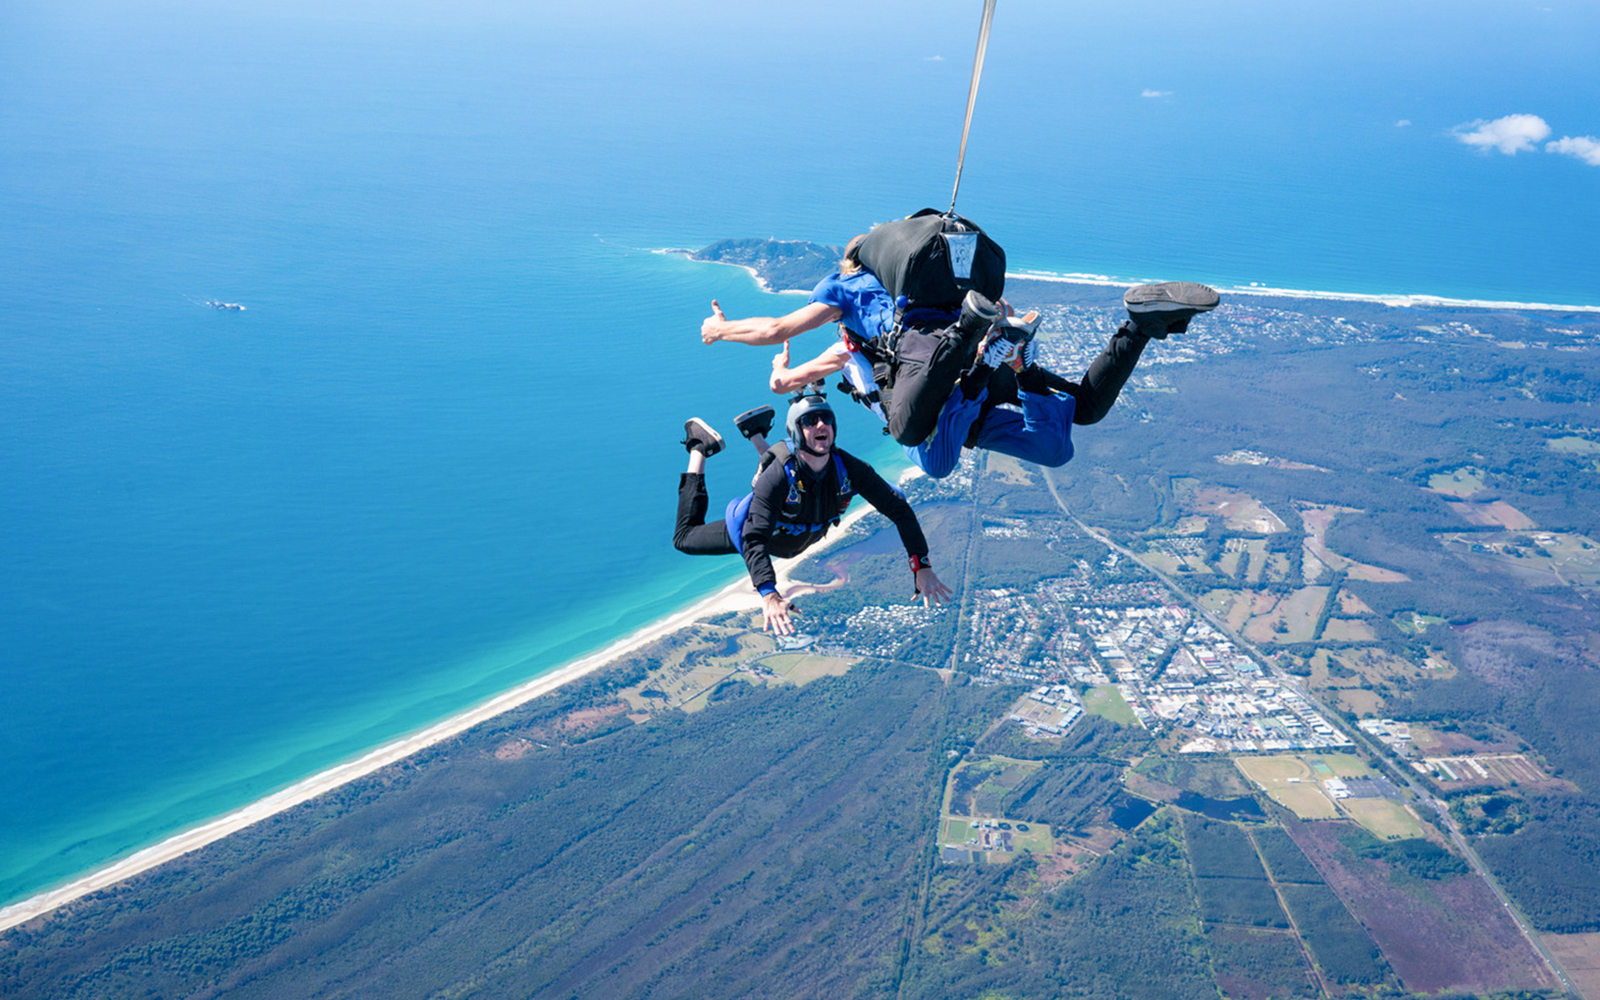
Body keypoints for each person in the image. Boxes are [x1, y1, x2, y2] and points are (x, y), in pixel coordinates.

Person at [703, 235, 1218, 476]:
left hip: (943, 397)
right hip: (978, 384)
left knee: (932, 461)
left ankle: (978, 364)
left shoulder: (846, 300)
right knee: (1067, 433)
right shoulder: (927, 294)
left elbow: (776, 329)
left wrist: (723, 330)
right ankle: (1140, 326)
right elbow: (1006, 305)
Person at [672, 393, 953, 636]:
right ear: (797, 431)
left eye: (826, 419)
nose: (821, 425)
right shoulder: (777, 479)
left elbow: (899, 510)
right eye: (810, 421)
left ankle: (756, 432)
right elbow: (754, 537)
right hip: (759, 530)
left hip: (800, 529)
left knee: (793, 479)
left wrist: (922, 565)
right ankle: (699, 447)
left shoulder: (851, 470)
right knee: (684, 539)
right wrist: (768, 592)